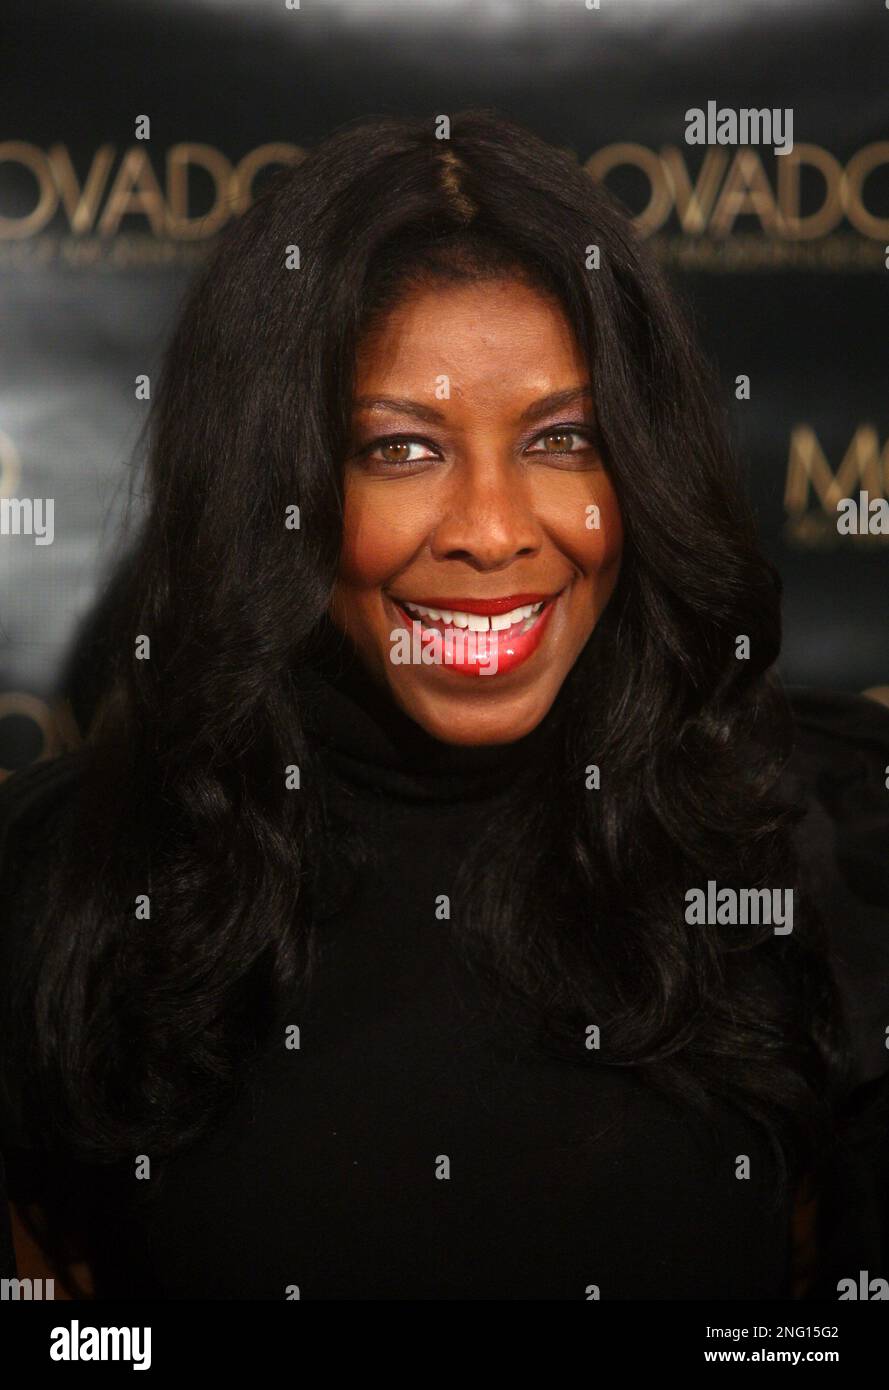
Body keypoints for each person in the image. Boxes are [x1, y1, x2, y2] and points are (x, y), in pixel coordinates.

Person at [1, 109, 887, 1301]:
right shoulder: (67, 886)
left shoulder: (821, 849)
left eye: (563, 439)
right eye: (400, 450)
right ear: (279, 483)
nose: (489, 529)